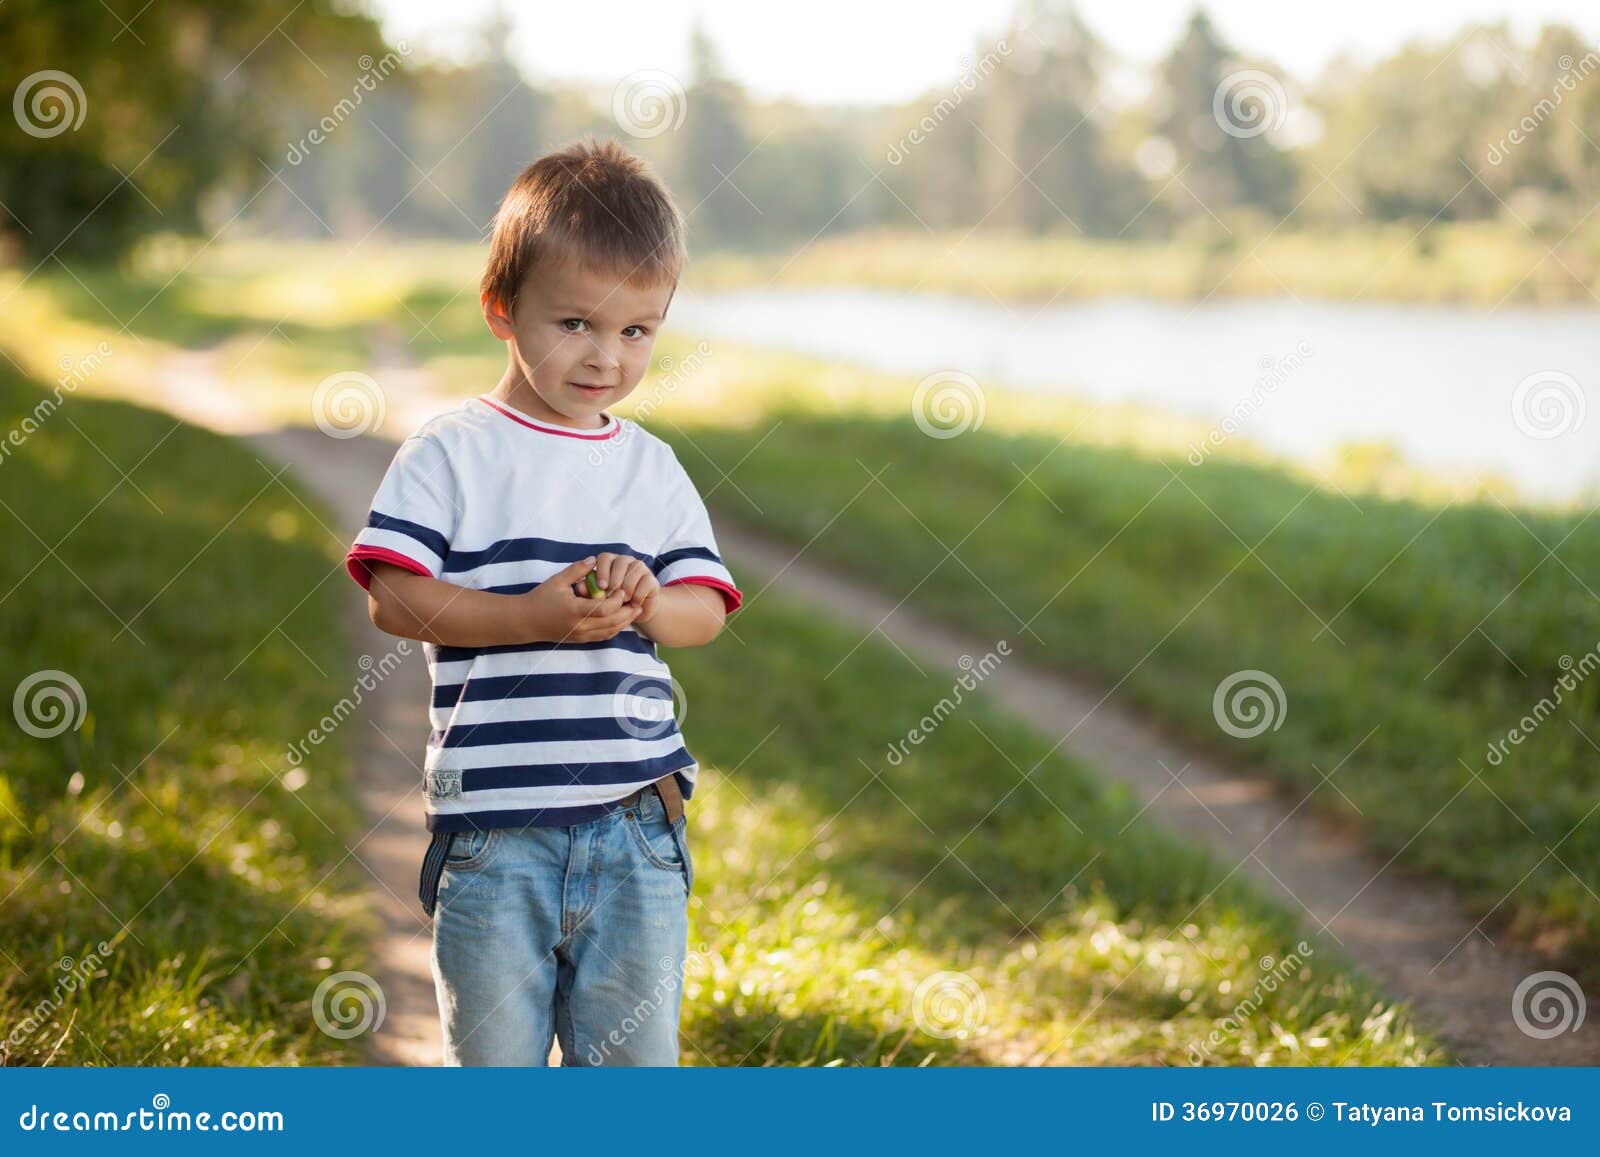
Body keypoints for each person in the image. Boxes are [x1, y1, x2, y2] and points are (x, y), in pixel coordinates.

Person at [344, 136, 743, 1065]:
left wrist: (651, 602)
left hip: (635, 824)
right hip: (494, 833)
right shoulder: (451, 452)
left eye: (637, 331)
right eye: (575, 323)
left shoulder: (650, 468)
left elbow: (707, 610)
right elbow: (393, 598)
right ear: (502, 307)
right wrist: (531, 617)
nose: (607, 356)